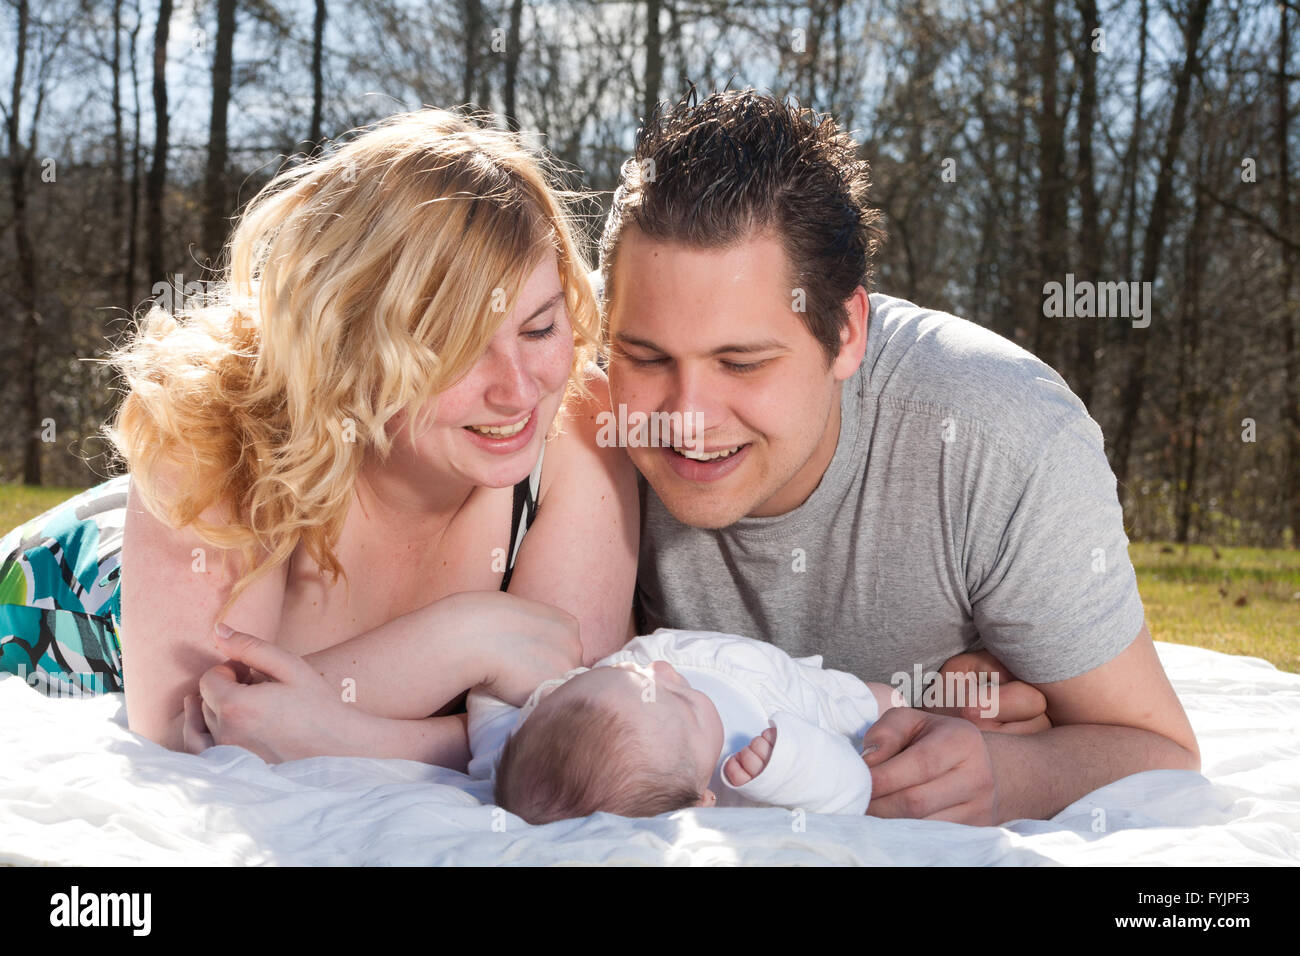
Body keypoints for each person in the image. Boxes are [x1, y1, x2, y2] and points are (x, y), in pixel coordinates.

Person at [597, 88, 1200, 825]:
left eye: (743, 363)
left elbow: (1159, 749)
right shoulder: (566, 410)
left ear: (848, 332)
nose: (685, 421)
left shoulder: (1004, 439)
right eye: (646, 357)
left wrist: (1011, 774)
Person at [0, 108, 639, 771]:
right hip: (63, 600)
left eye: (538, 329)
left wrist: (348, 735)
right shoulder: (211, 425)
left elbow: (577, 736)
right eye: (455, 350)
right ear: (351, 343)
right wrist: (459, 638)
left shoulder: (582, 419)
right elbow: (202, 733)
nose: (517, 389)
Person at [468, 628, 910, 824]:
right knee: (881, 713)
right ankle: (870, 701)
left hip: (718, 657)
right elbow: (850, 796)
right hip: (793, 700)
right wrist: (792, 764)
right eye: (681, 700)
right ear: (703, 801)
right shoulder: (748, 804)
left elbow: (495, 716)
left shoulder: (551, 729)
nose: (665, 671)